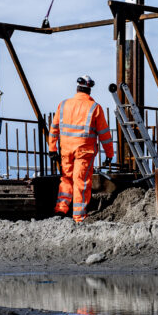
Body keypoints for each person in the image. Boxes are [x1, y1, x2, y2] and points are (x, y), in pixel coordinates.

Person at [47, 76, 114, 223]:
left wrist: (52, 149)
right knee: (81, 182)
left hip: (65, 150)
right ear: (89, 89)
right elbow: (104, 134)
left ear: (77, 88)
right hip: (84, 152)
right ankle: (79, 216)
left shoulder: (64, 105)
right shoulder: (95, 108)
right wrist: (109, 154)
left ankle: (61, 209)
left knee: (66, 179)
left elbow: (54, 129)